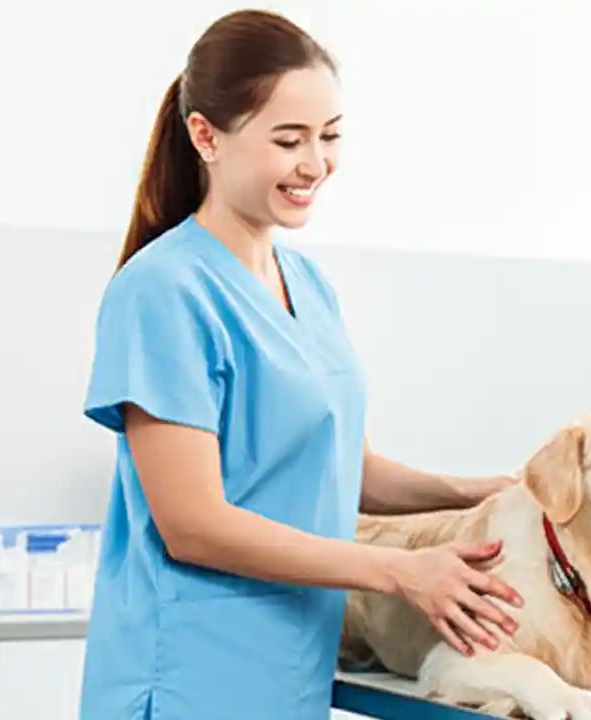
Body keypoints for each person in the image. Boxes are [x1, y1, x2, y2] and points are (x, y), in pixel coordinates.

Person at [78, 10, 525, 719]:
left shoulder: (308, 287)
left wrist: (485, 493)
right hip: (189, 678)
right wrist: (399, 570)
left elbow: (351, 467)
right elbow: (192, 522)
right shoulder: (162, 291)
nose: (315, 163)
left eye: (330, 136)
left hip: (289, 675)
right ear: (206, 137)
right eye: (289, 140)